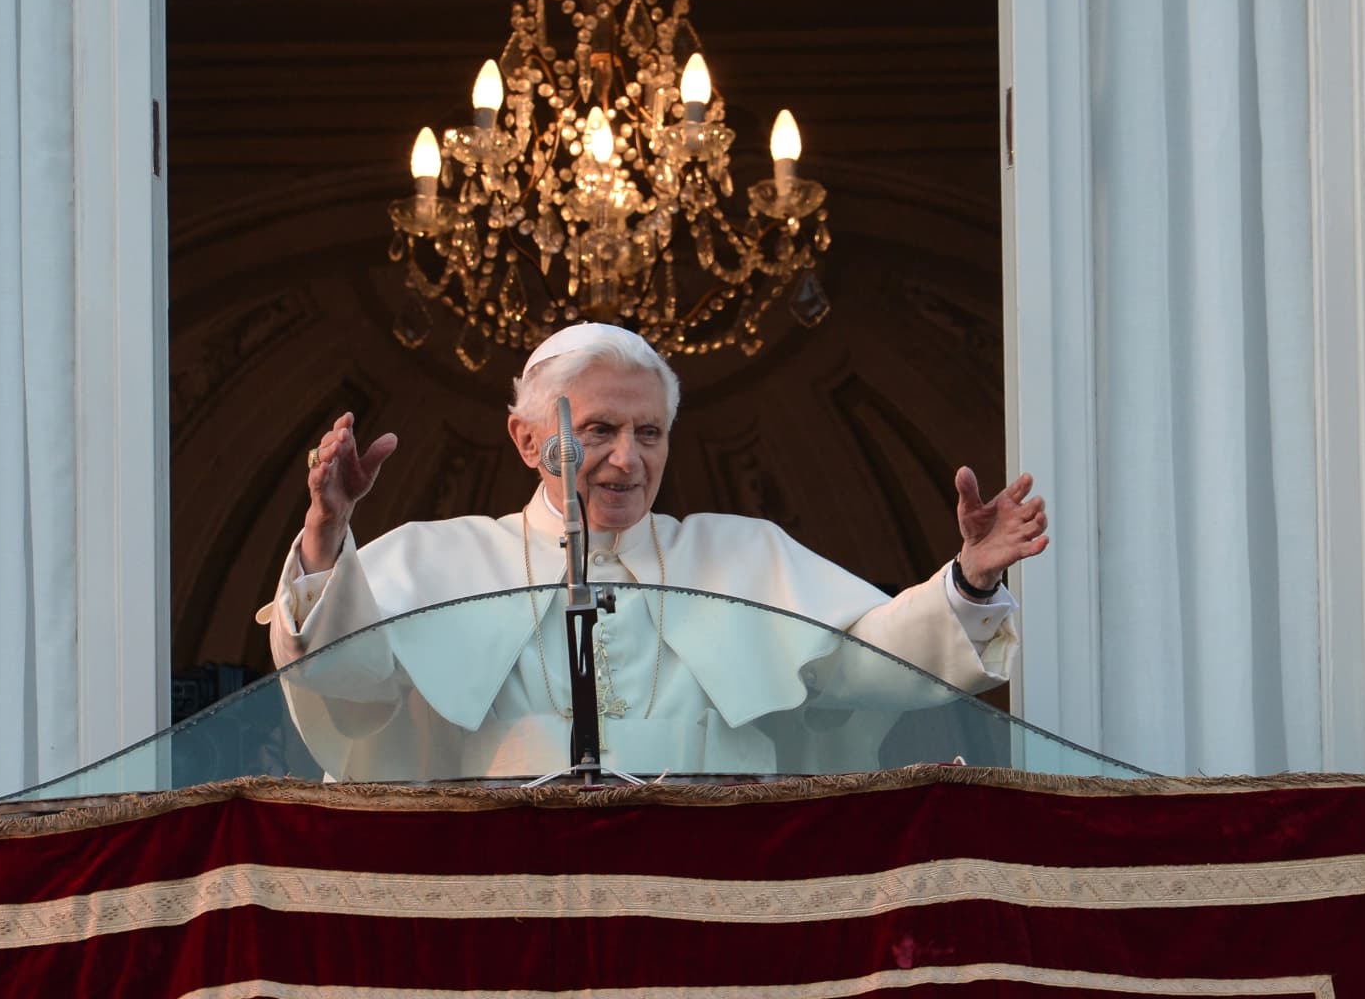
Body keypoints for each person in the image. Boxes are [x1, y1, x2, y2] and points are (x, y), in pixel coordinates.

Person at [257, 323, 1049, 779]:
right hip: (500, 882)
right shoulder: (441, 558)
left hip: (716, 876)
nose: (628, 460)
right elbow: (345, 681)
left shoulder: (740, 554)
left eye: (650, 432)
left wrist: (970, 583)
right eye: (598, 429)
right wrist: (327, 536)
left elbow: (869, 660)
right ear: (526, 440)